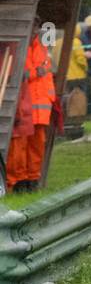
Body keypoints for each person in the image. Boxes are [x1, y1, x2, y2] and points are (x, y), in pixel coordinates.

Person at [4, 31, 55, 192]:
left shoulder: (41, 45)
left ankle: (31, 179)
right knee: (20, 145)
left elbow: (44, 69)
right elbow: (23, 73)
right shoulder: (21, 45)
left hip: (39, 105)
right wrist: (35, 73)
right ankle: (18, 180)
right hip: (25, 103)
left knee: (35, 145)